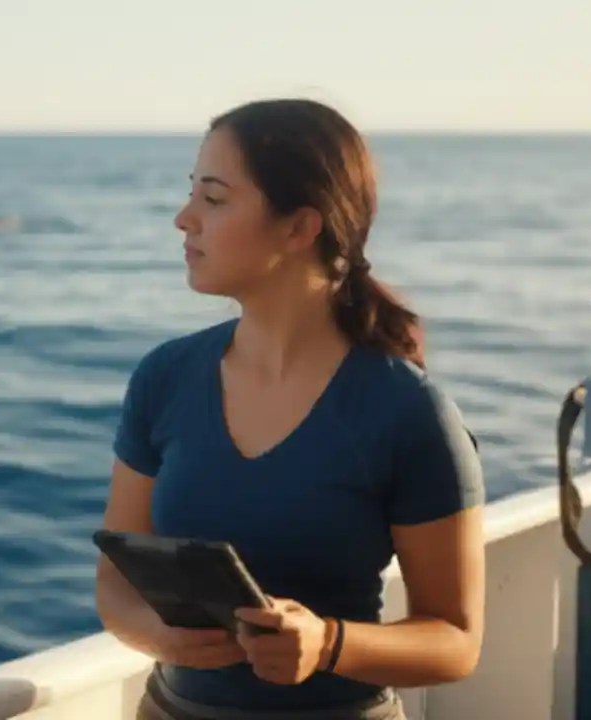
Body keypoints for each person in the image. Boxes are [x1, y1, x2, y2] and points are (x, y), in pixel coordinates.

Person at [94, 98, 485, 720]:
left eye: (213, 199)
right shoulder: (164, 378)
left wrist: (328, 644)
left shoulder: (408, 411)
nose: (183, 219)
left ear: (300, 227)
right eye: (192, 194)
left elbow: (455, 641)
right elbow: (116, 583)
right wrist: (159, 636)